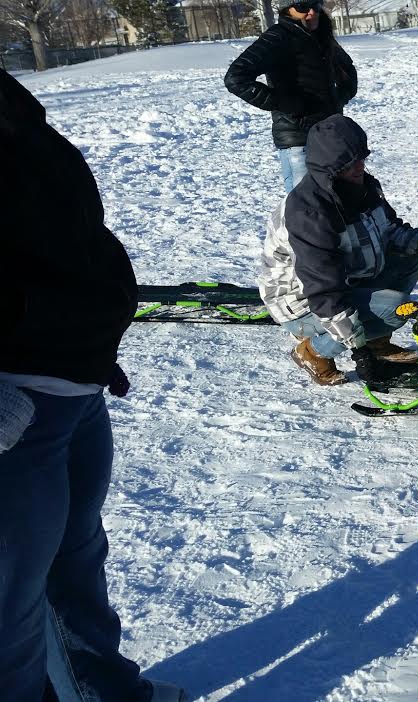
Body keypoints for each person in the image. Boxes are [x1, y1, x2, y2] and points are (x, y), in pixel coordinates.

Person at [0, 69, 187, 702]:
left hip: (73, 380)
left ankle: (104, 692)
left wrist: (91, 336)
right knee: (8, 618)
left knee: (77, 557)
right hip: (13, 408)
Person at [258, 114, 418, 386]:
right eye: (349, 163)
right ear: (329, 168)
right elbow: (324, 292)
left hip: (345, 278)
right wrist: (357, 349)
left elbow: (389, 228)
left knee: (409, 257)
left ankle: (377, 342)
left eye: (361, 158)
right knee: (396, 308)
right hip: (303, 301)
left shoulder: (361, 186)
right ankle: (312, 352)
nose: (359, 166)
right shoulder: (310, 214)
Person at [224, 0, 357, 193]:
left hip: (330, 136)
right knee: (306, 210)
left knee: (338, 207)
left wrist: (341, 96)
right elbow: (235, 78)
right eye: (303, 7)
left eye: (316, 5)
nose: (312, 12)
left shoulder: (321, 36)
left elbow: (347, 69)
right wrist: (286, 104)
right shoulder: (278, 37)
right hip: (299, 140)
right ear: (288, 10)